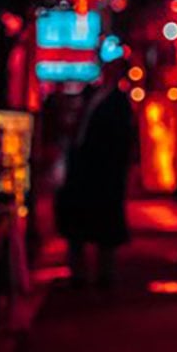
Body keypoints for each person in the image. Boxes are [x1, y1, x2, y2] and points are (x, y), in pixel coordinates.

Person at [55, 61, 135, 288]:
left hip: (102, 172)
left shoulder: (117, 102)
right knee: (79, 225)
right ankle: (80, 273)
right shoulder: (91, 96)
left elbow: (120, 140)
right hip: (84, 170)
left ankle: (104, 274)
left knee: (103, 226)